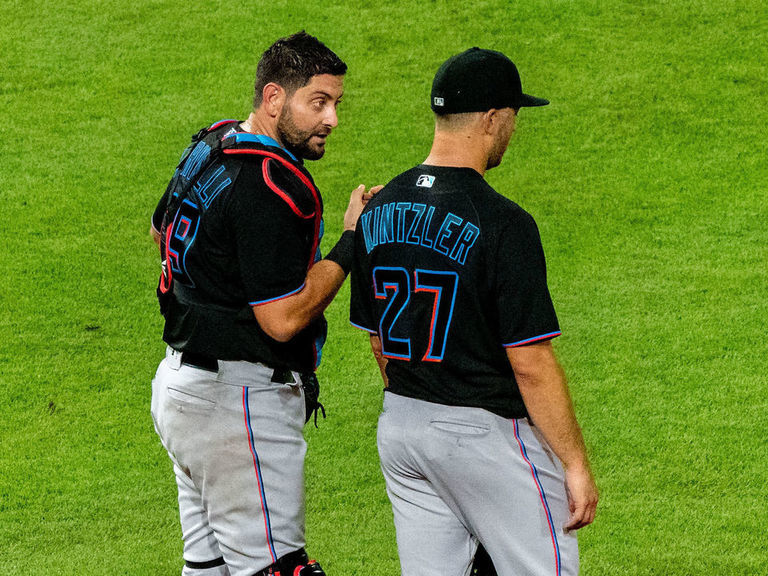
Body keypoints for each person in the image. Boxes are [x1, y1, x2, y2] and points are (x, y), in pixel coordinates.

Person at [349, 47, 599, 576]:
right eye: (513, 117)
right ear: (491, 118)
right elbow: (530, 362)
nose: (513, 129)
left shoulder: (379, 208)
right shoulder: (505, 223)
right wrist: (575, 465)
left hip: (402, 429)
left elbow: (377, 341)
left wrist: (424, 405)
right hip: (485, 440)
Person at [150, 32, 378, 576]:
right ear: (275, 98)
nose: (332, 119)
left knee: (209, 568)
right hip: (237, 406)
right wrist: (350, 243)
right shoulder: (274, 185)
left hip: (181, 392)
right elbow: (282, 320)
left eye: (336, 104)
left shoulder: (212, 142)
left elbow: (161, 232)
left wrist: (215, 288)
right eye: (318, 102)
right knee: (279, 569)